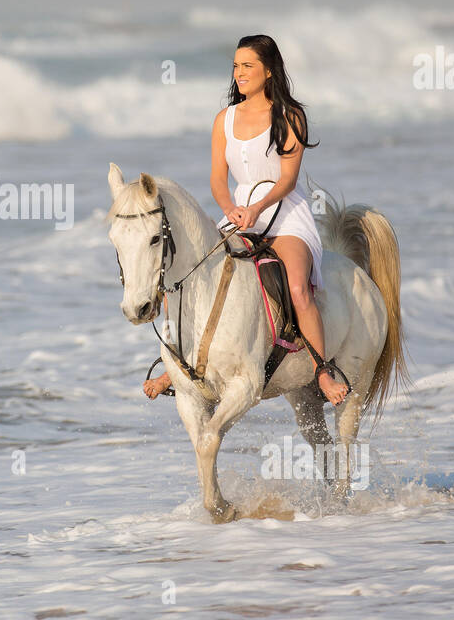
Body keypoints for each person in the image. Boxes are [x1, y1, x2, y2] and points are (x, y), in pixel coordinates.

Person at [143, 34, 348, 405]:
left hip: (285, 216)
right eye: (236, 66)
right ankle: (176, 363)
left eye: (248, 65)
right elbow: (217, 179)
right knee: (185, 280)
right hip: (239, 214)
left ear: (268, 71)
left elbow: (288, 179)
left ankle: (321, 369)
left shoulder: (290, 115)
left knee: (297, 287)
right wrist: (230, 209)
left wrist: (258, 207)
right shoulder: (224, 120)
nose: (239, 73)